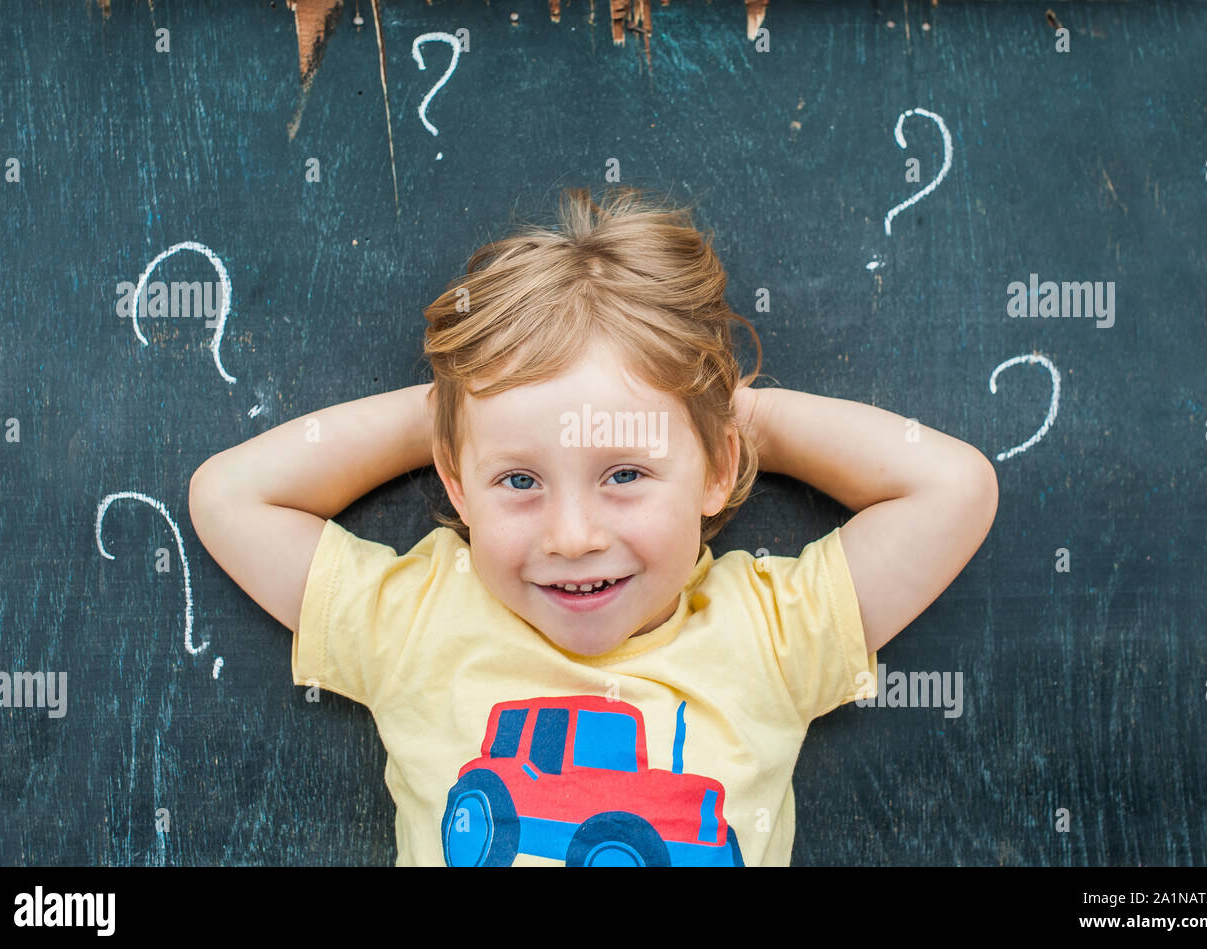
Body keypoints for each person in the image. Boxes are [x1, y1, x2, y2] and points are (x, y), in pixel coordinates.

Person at [188, 185, 998, 866]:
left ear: (717, 469)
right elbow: (229, 496)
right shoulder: (418, 620)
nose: (572, 535)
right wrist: (456, 413)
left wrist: (730, 415)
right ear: (457, 487)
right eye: (518, 480)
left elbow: (952, 486)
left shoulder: (772, 635)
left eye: (626, 473)